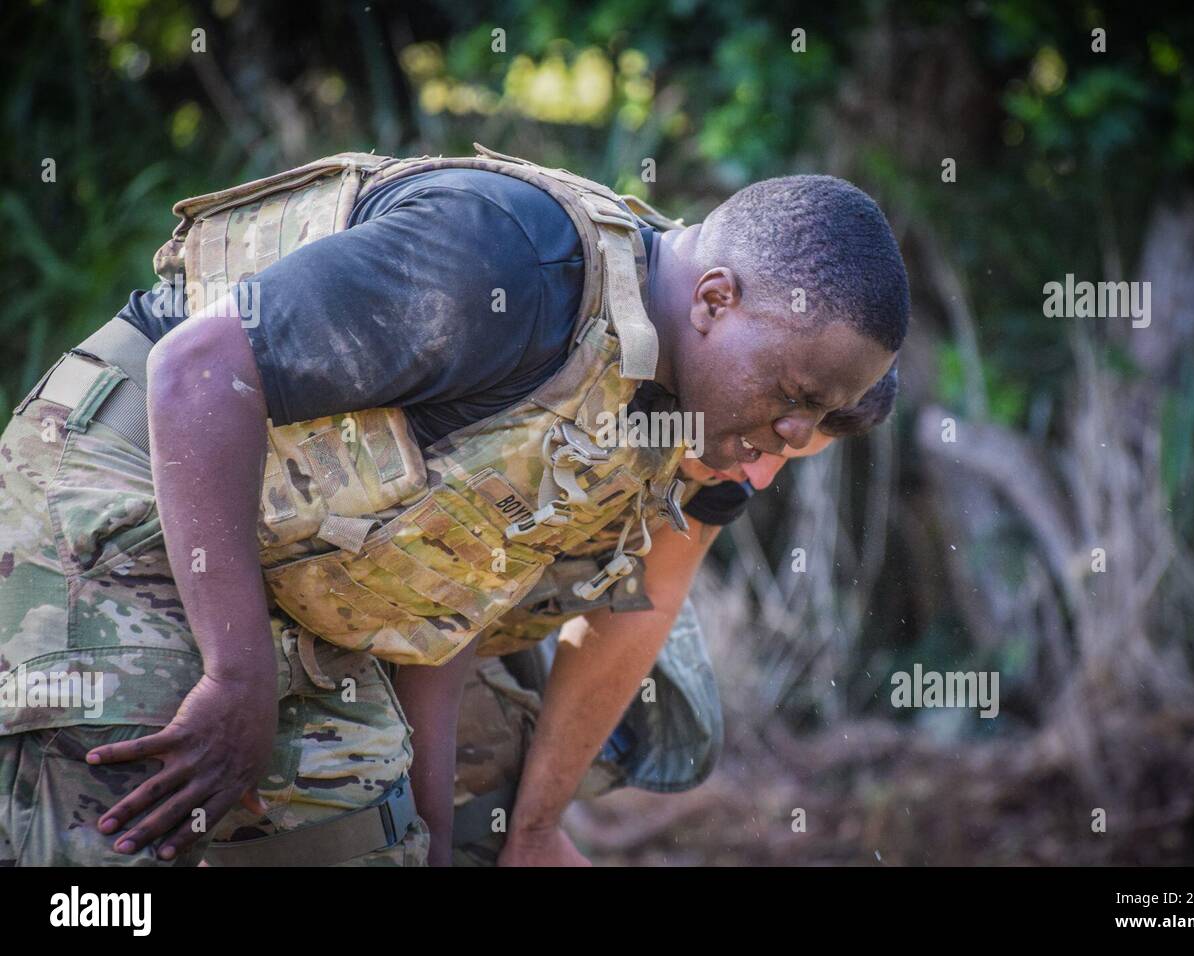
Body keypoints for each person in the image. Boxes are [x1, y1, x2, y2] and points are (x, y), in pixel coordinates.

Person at [0, 144, 907, 866]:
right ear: (716, 299)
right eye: (793, 393)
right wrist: (238, 680)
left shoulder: (656, 400)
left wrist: (430, 834)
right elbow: (197, 372)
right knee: (127, 834)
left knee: (370, 842)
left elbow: (445, 587)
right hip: (119, 478)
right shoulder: (520, 260)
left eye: (820, 418)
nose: (795, 437)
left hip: (281, 545)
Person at [447, 366, 899, 865]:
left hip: (492, 626)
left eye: (785, 461)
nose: (761, 475)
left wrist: (537, 827)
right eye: (767, 448)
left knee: (491, 806)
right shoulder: (596, 366)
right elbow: (442, 588)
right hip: (401, 600)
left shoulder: (729, 472)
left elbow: (643, 605)